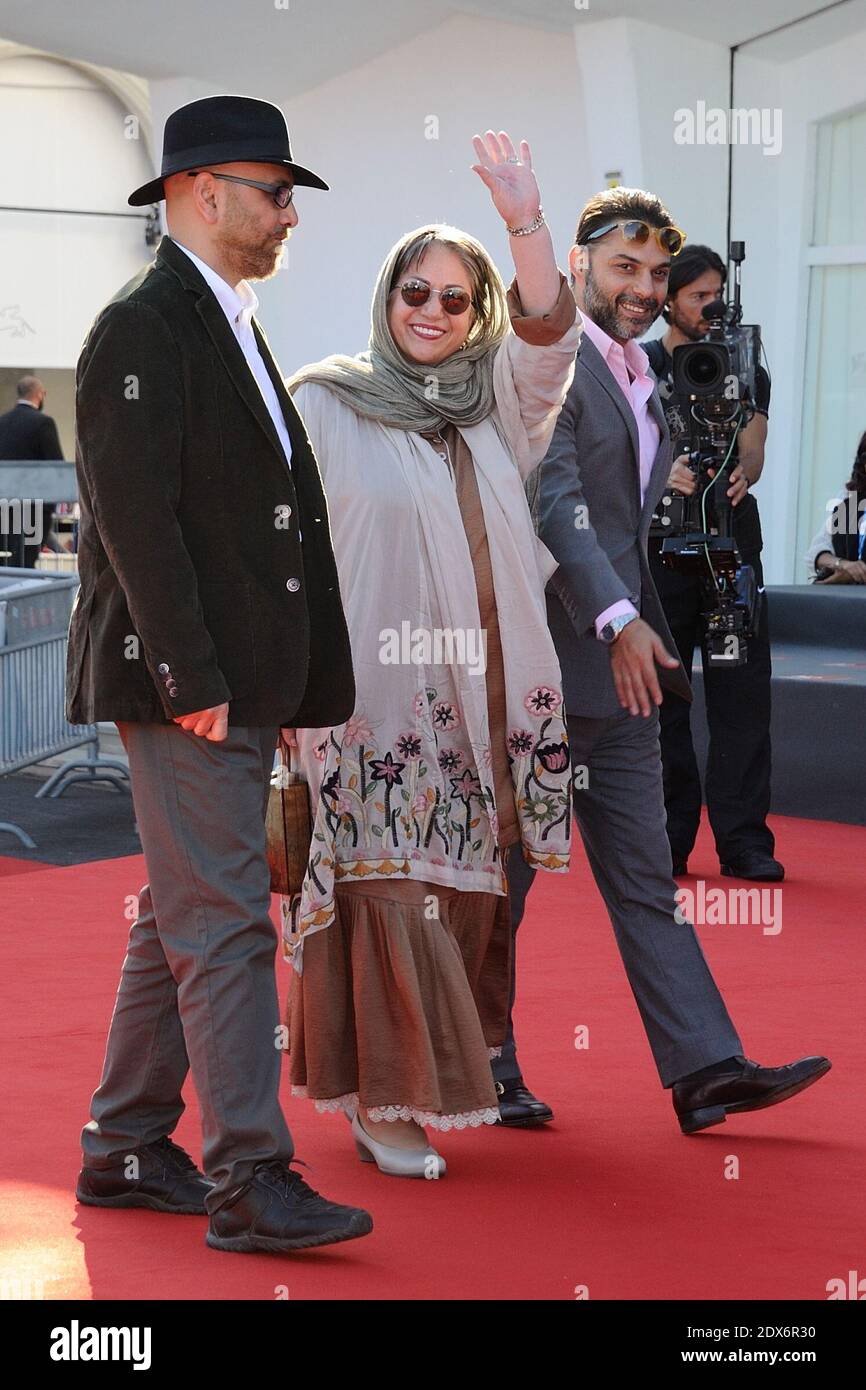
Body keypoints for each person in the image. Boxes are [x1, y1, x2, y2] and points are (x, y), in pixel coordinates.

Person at [68, 95, 373, 1253]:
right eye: (275, 192)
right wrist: (191, 676)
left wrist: (284, 685)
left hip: (233, 682)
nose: (289, 214)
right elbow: (134, 520)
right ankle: (249, 1175)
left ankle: (126, 1144)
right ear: (200, 192)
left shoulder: (226, 318)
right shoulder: (145, 326)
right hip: (185, 686)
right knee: (226, 921)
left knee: (182, 914)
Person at [280, 129, 579, 1175]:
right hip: (366, 701)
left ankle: (413, 1081)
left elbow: (549, 335)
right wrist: (286, 687)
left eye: (457, 299)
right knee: (380, 890)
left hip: (482, 701)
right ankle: (380, 1101)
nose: (432, 312)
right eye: (416, 290)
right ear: (387, 295)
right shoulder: (326, 400)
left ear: (477, 314)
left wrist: (524, 220)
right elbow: (285, 554)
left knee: (455, 895)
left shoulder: (496, 407)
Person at [502, 186, 830, 1135]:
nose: (644, 289)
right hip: (553, 670)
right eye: (624, 268)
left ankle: (705, 1069)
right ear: (578, 267)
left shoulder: (645, 372)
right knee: (505, 885)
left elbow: (629, 518)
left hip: (628, 678)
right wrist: (618, 619)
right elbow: (555, 504)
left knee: (648, 882)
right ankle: (483, 1062)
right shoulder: (553, 367)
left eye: (654, 273)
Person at [643, 245, 782, 882]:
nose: (711, 305)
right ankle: (668, 839)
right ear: (669, 300)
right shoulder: (640, 366)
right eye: (699, 295)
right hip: (663, 552)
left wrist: (740, 472)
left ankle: (745, 843)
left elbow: (753, 449)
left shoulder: (746, 364)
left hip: (731, 552)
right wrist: (659, 476)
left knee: (742, 700)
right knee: (664, 704)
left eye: (718, 293)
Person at [0, 376, 65, 567]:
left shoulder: (2, 422)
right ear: (39, 394)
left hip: (4, 504)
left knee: (7, 561)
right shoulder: (43, 423)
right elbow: (56, 466)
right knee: (26, 561)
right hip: (34, 508)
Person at [805, 430, 866, 583]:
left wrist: (850, 574)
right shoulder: (849, 499)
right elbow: (816, 552)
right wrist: (842, 565)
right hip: (843, 594)